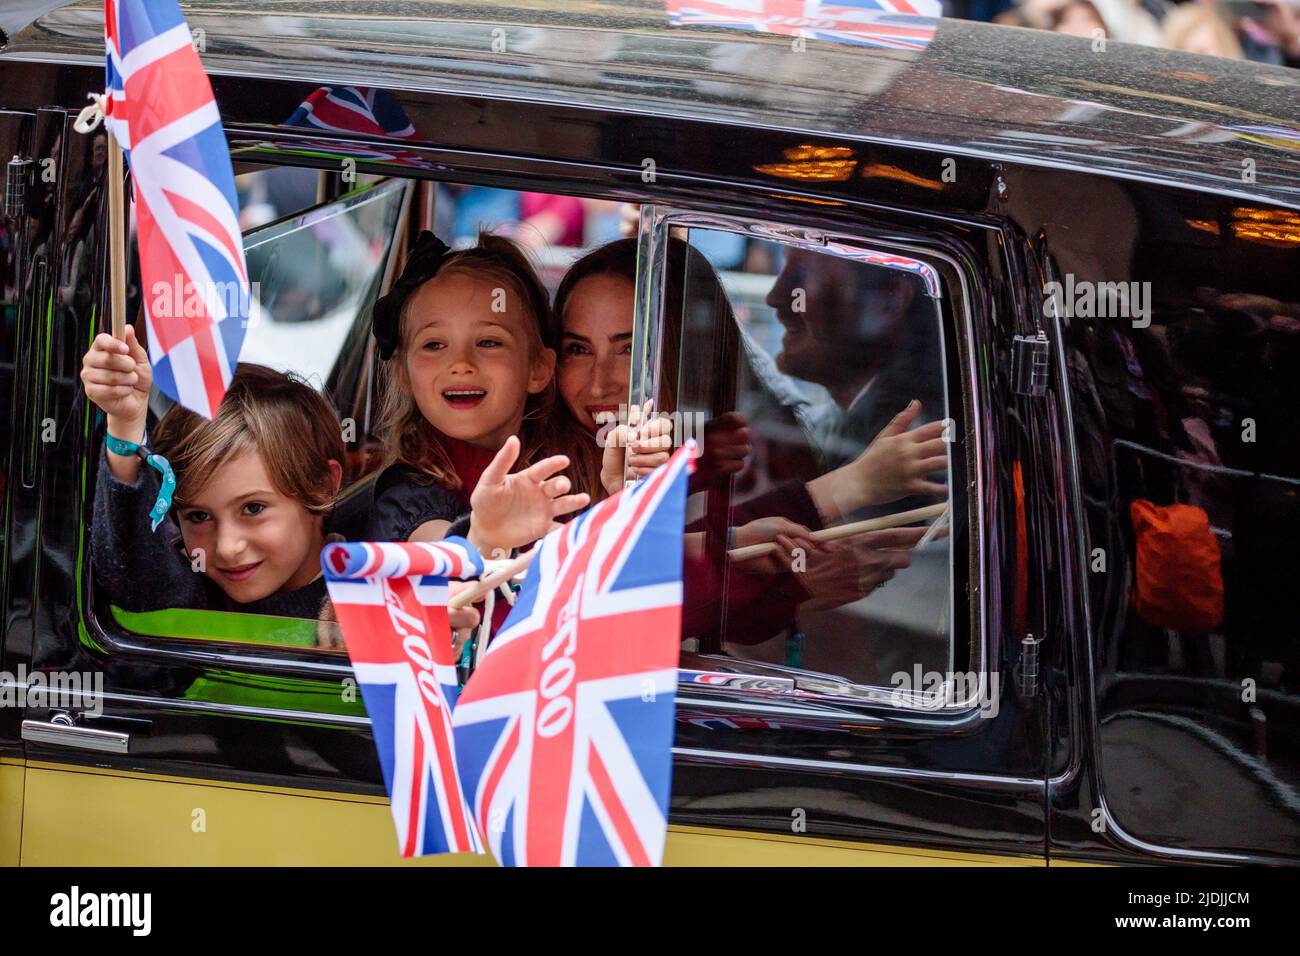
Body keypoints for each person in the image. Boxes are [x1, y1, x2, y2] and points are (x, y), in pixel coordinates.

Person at [82, 328, 347, 618]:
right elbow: (138, 577)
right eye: (199, 516)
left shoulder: (366, 605)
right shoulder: (199, 593)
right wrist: (125, 426)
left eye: (253, 508)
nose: (227, 548)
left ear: (322, 487)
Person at [364, 229, 593, 554]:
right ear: (405, 373)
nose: (461, 363)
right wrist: (484, 540)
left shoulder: (573, 461)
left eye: (488, 342)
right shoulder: (409, 488)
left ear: (538, 369)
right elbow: (444, 553)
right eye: (434, 345)